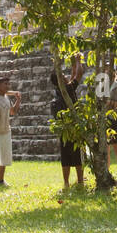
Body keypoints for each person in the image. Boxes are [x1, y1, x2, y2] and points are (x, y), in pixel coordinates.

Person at [50, 54, 85, 188]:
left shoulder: (60, 91)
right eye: (63, 76)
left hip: (63, 129)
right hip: (73, 127)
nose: (66, 77)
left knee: (65, 155)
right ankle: (80, 181)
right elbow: (79, 74)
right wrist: (78, 60)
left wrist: (72, 64)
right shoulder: (68, 89)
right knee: (76, 154)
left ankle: (66, 183)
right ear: (60, 80)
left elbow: (72, 76)